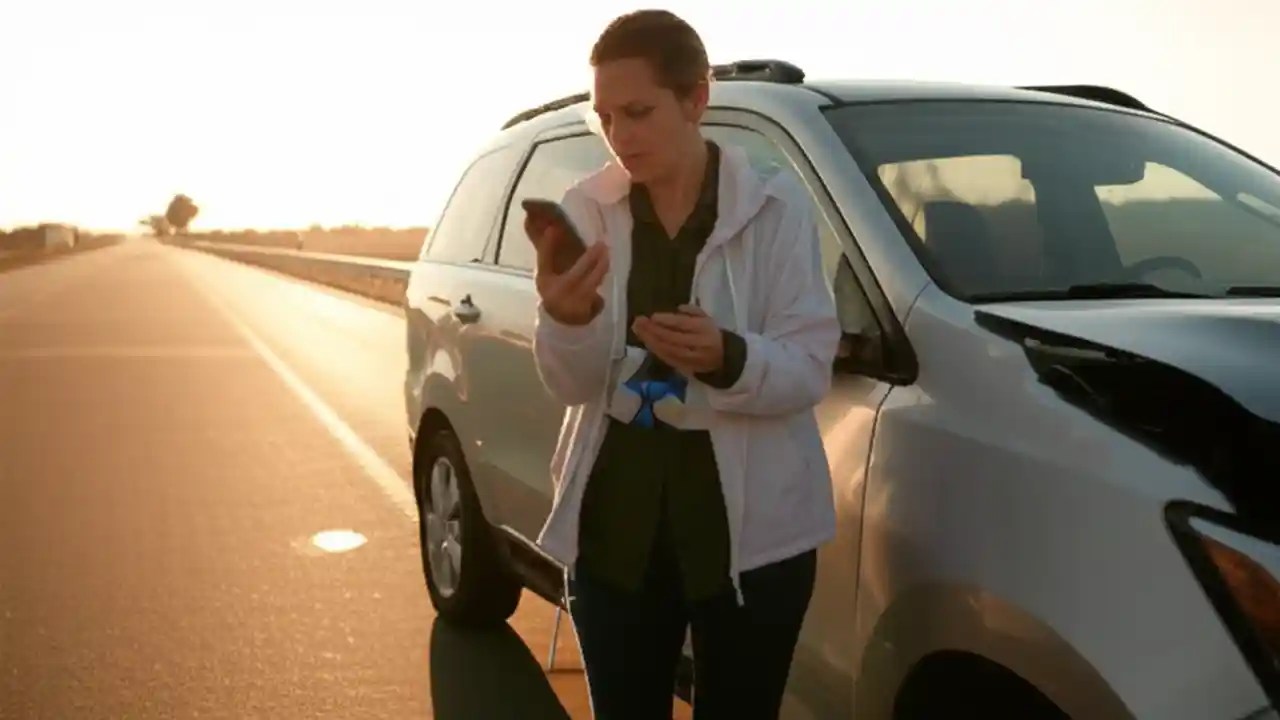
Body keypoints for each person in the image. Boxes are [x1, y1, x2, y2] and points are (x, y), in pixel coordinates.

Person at [525, 9, 840, 719]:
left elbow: (810, 365)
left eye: (638, 111)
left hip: (751, 545)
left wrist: (730, 357)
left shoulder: (776, 211)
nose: (619, 135)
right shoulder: (589, 210)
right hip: (616, 538)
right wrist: (567, 320)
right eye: (606, 116)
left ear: (697, 98)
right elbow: (571, 385)